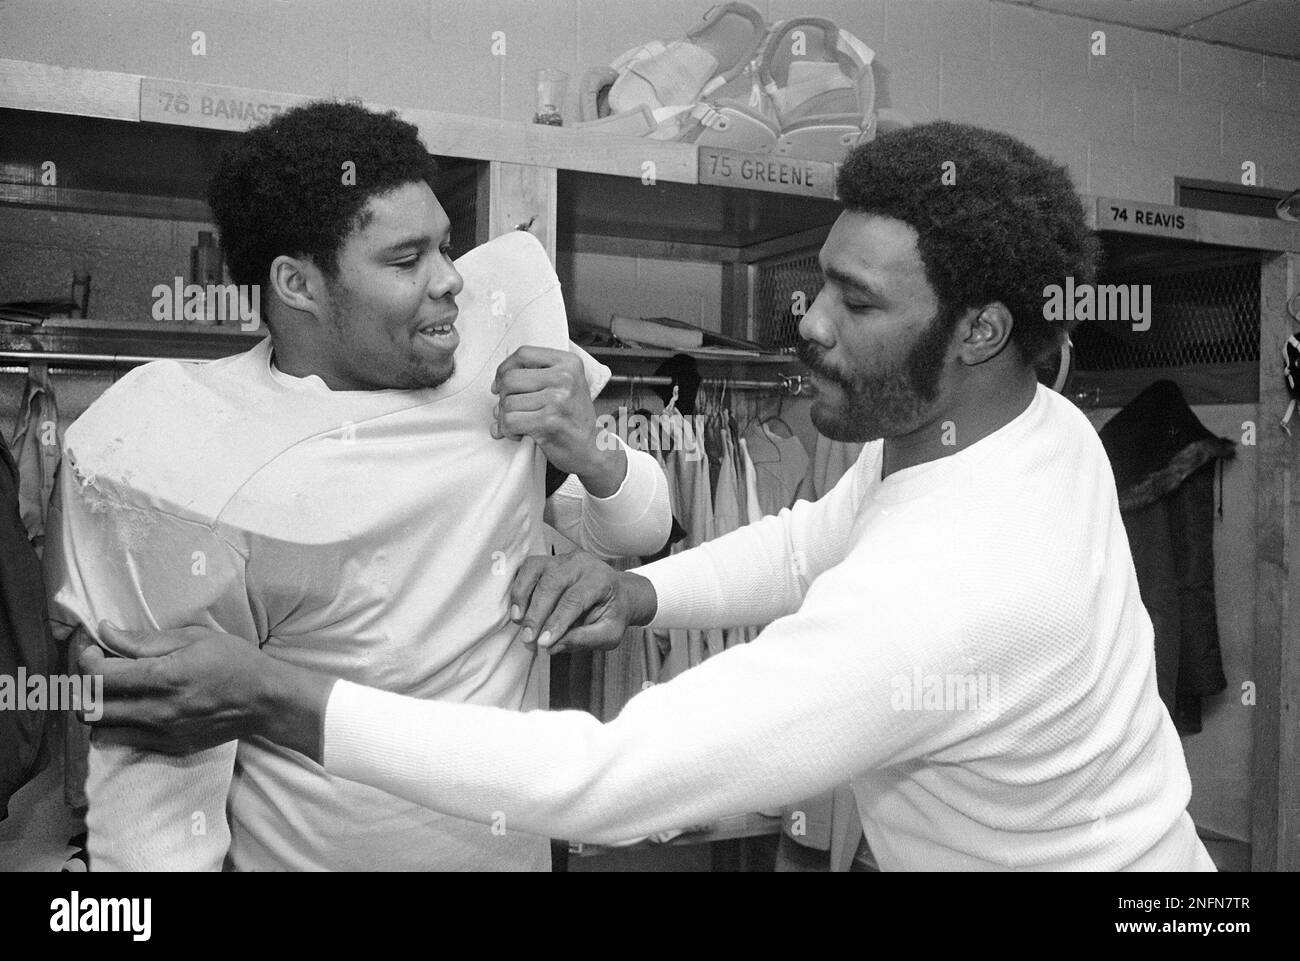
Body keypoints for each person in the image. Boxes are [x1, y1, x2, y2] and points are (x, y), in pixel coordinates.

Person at [85, 121, 1217, 871]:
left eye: (855, 304)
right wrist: (636, 596)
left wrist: (280, 697)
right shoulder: (1013, 426)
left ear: (979, 330)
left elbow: (612, 778)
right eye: (817, 280)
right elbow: (799, 544)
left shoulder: (950, 595)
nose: (806, 322)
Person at [46, 101, 671, 871]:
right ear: (298, 282)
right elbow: (156, 819)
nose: (451, 282)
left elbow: (640, 530)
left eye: (446, 246)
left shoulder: (497, 352)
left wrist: (593, 453)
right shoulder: (189, 455)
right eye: (407, 260)